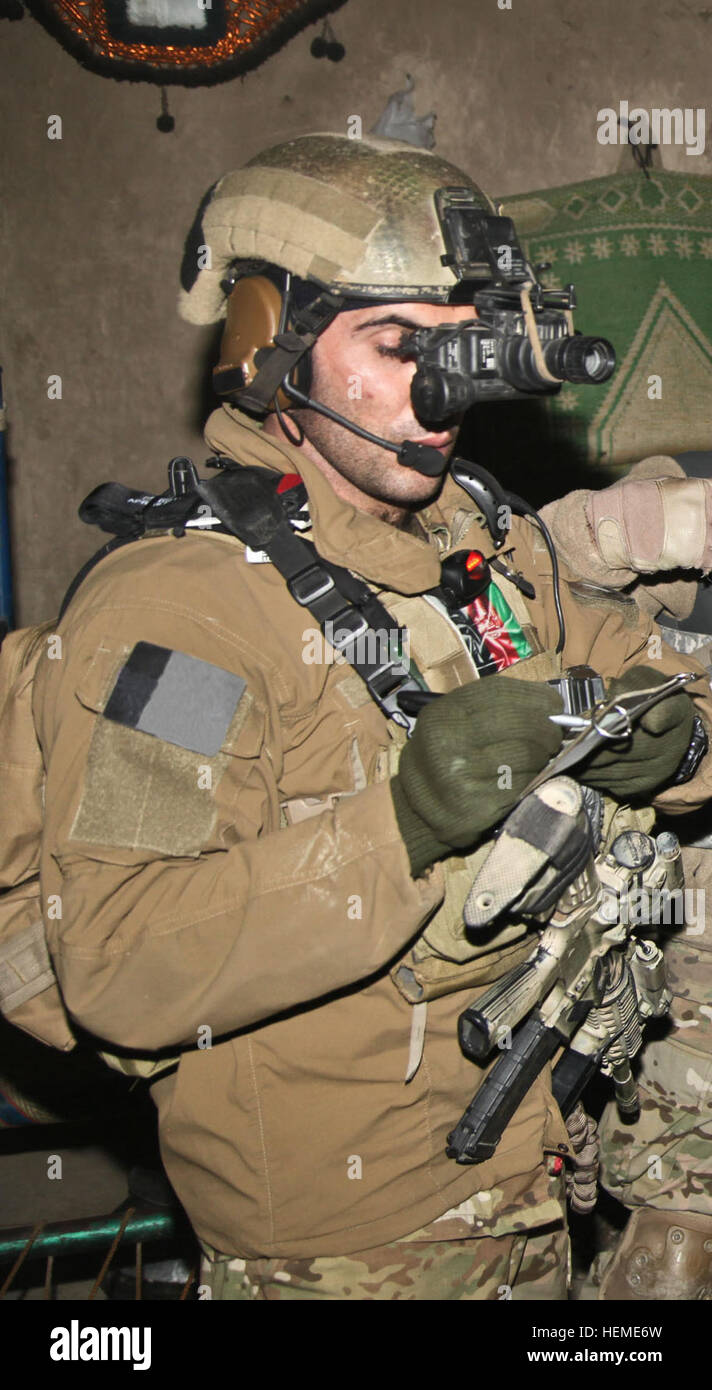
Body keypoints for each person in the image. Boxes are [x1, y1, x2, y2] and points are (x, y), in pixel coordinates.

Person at [31, 134, 712, 1300]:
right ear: (266, 348)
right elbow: (118, 957)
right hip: (346, 1257)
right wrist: (400, 827)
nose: (440, 392)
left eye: (458, 351)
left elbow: (659, 686)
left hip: (533, 1190)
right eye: (398, 347)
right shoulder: (183, 622)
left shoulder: (483, 548)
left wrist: (680, 742)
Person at [542, 460, 712, 1298]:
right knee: (676, 1256)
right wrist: (616, 531)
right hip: (686, 919)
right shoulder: (681, 511)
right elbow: (534, 593)